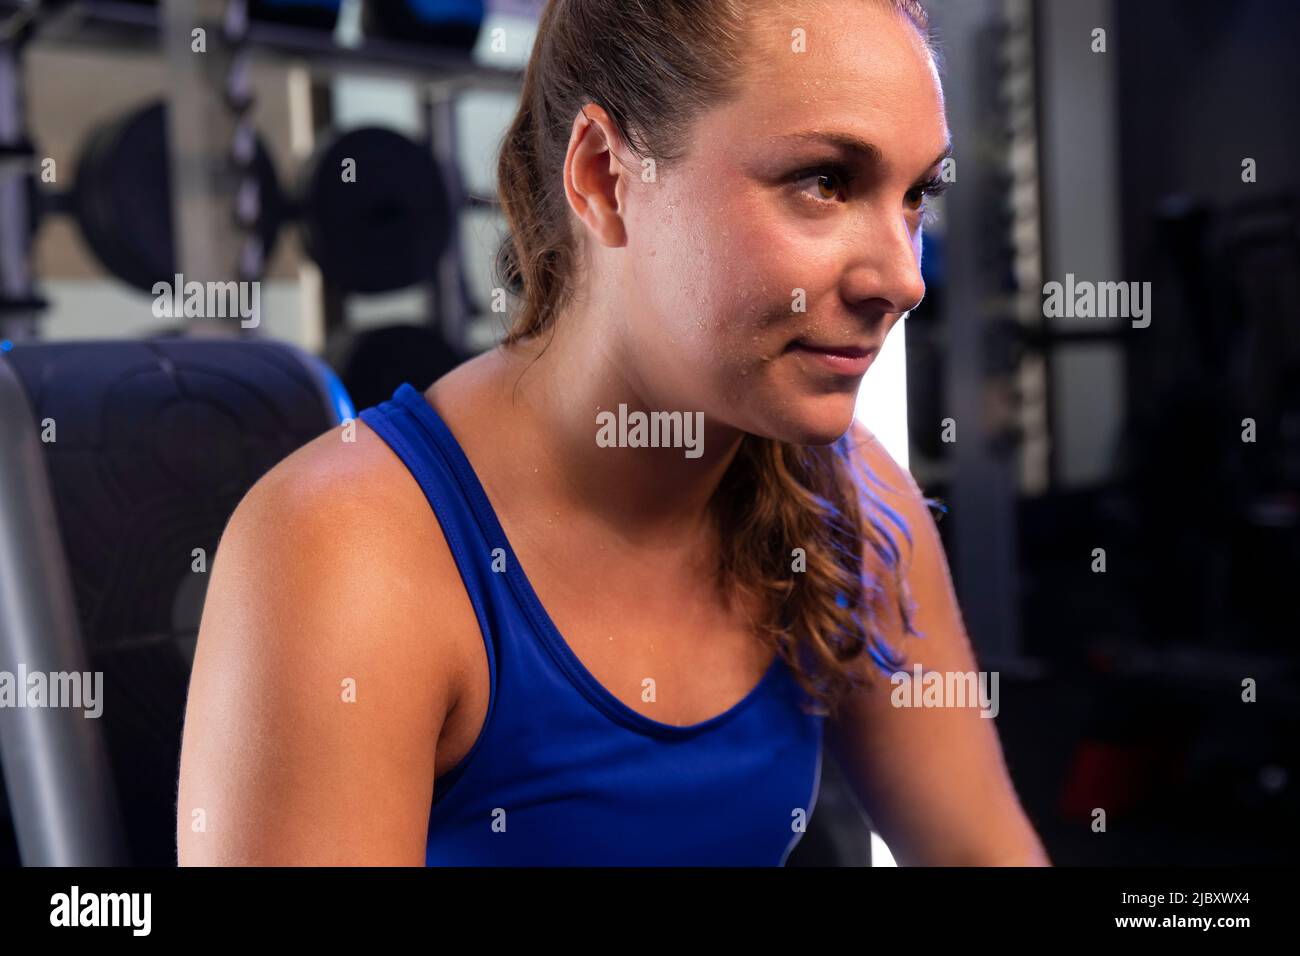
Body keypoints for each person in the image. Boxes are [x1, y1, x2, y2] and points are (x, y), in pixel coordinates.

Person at [177, 0, 1050, 866]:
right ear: (603, 176)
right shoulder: (348, 552)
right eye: (823, 181)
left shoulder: (850, 500)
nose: (904, 278)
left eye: (916, 195)